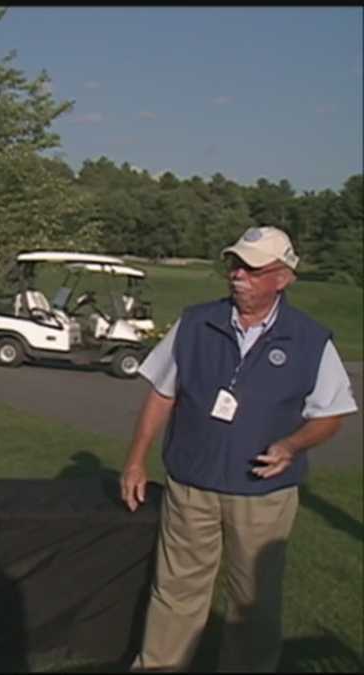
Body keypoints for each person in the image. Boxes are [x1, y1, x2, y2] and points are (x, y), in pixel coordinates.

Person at [120, 225, 358, 672]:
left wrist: (293, 444)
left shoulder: (310, 339)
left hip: (263, 496)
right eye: (234, 265)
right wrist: (136, 460)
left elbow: (331, 414)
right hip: (191, 486)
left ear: (283, 278)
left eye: (252, 269)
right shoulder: (195, 323)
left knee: (253, 604)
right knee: (175, 594)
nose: (238, 275)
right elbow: (162, 394)